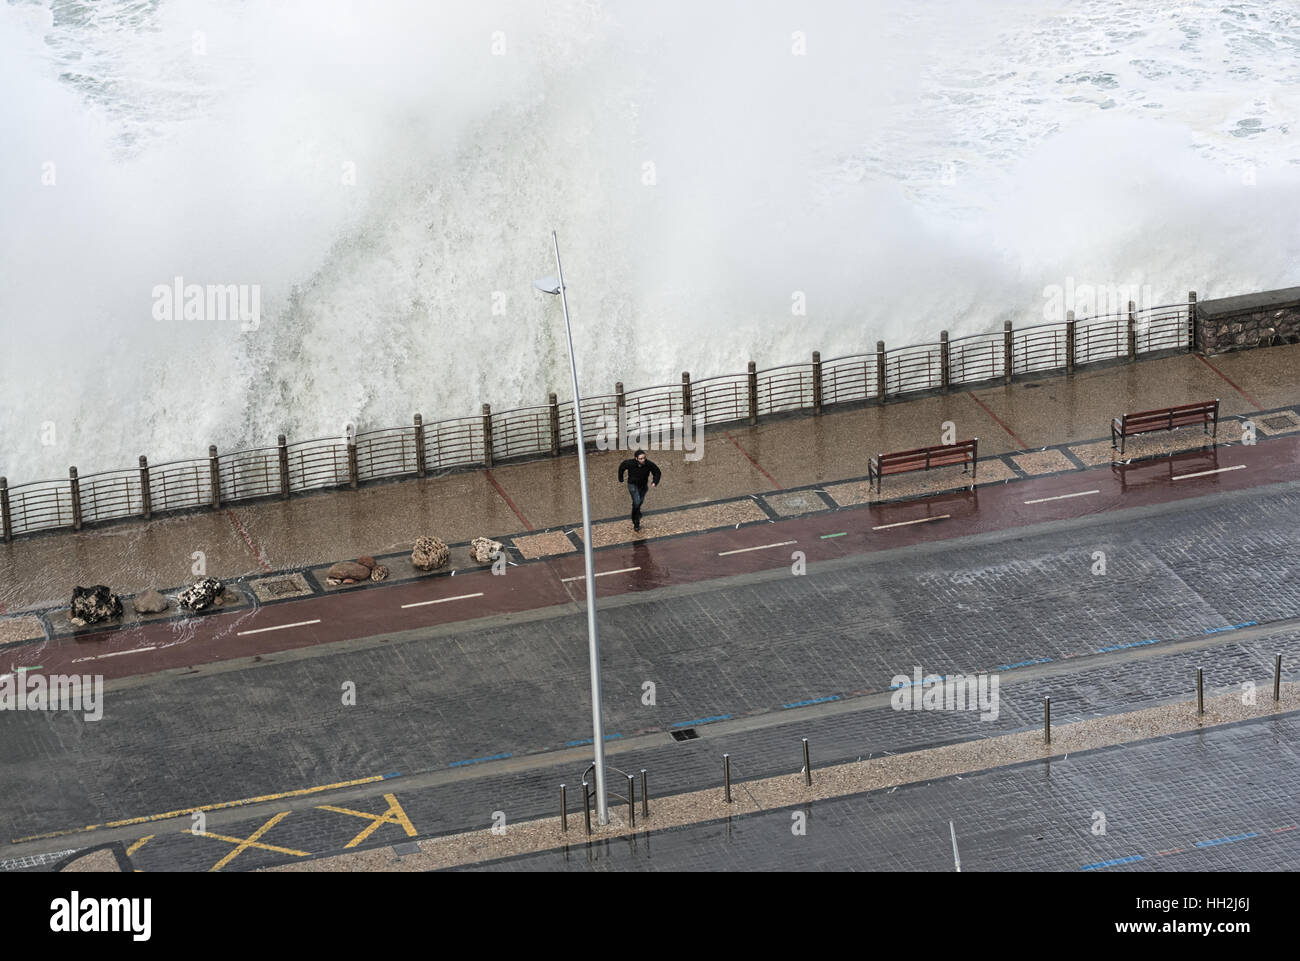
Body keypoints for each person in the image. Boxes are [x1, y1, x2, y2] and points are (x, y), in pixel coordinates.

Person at [617, 449, 661, 532]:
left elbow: (657, 472)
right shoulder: (630, 463)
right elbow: (622, 467)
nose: (643, 460)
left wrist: (655, 482)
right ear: (636, 458)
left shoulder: (648, 464)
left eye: (644, 458)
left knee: (639, 502)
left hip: (643, 486)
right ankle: (636, 522)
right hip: (632, 485)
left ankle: (636, 509)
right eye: (641, 459)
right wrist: (621, 478)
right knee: (637, 502)